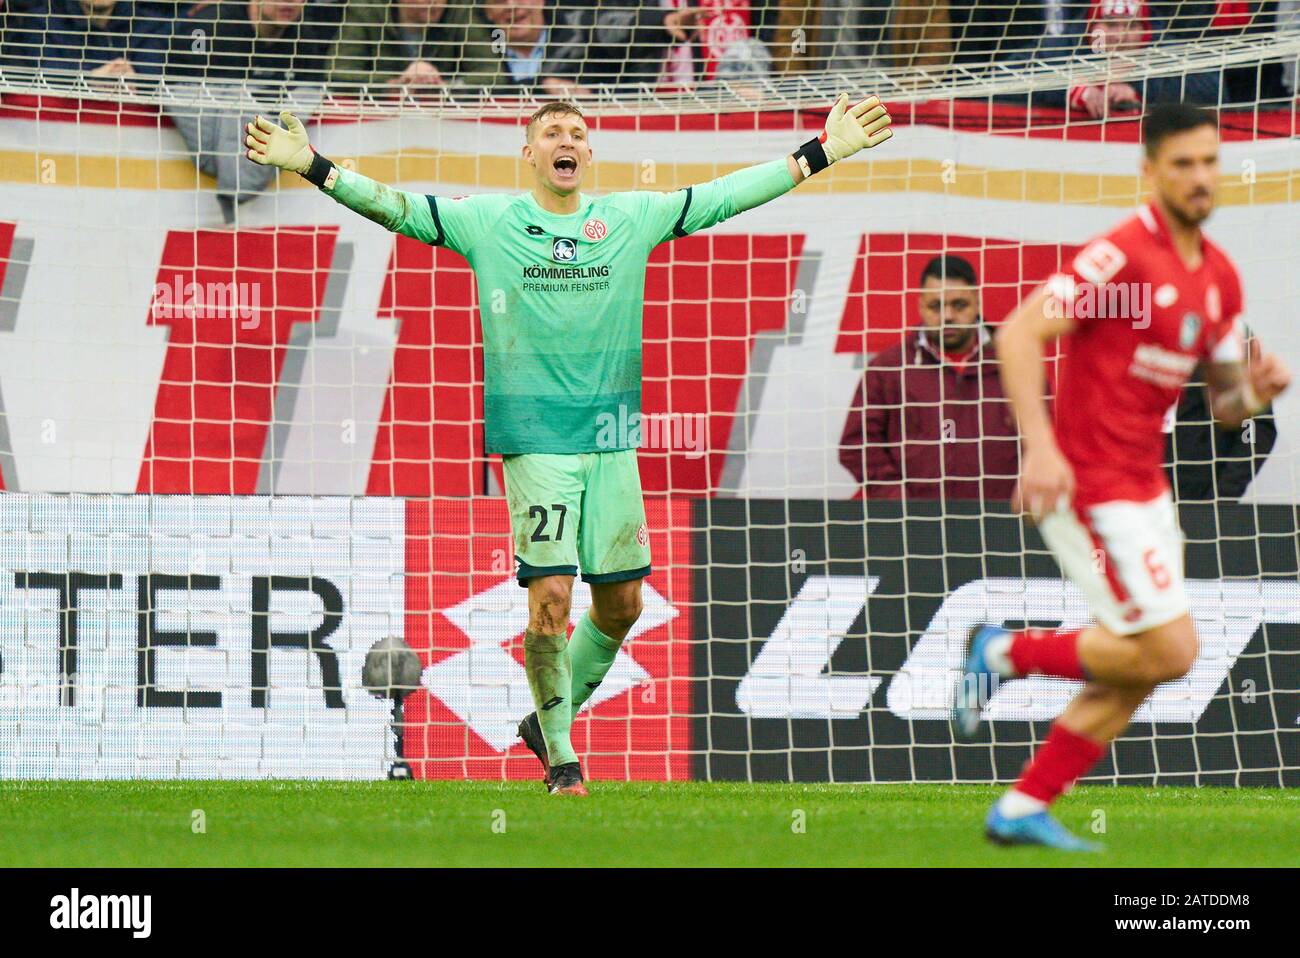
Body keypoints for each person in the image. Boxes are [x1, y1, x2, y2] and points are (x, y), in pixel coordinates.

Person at [244, 95, 894, 794]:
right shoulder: (488, 222)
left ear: (589, 154)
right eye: (551, 132)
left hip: (612, 441)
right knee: (551, 596)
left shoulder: (626, 219)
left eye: (577, 133)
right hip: (535, 441)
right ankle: (562, 759)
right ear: (529, 153)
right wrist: (309, 164)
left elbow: (722, 197)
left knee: (622, 607)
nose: (566, 140)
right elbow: (396, 208)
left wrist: (821, 151)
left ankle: (542, 722)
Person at [951, 103, 1290, 850]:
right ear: (1150, 171)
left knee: (1140, 665)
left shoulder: (1220, 279)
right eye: (1182, 164)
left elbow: (1226, 406)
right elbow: (1018, 329)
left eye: (1209, 162)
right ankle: (1005, 652)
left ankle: (1022, 806)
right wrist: (1039, 447)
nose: (1200, 178)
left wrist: (1259, 392)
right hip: (1086, 483)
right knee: (1170, 651)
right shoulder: (1121, 256)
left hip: (1147, 488)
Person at [839, 254, 1019, 501]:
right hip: (912, 527)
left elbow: (1045, 438)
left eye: (959, 305)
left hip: (1001, 522)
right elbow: (856, 444)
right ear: (921, 305)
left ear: (977, 302)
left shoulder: (1014, 364)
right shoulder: (889, 368)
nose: (947, 316)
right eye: (936, 306)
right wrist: (894, 497)